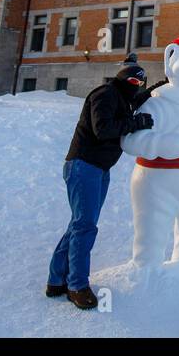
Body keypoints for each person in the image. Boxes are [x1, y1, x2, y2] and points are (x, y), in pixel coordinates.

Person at [47, 63, 153, 310]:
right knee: (84, 227)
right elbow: (103, 128)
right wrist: (136, 123)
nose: (138, 88)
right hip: (84, 166)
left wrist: (163, 86)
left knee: (78, 224)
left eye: (141, 84)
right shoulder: (105, 94)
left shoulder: (121, 98)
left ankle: (56, 280)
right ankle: (77, 286)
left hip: (98, 169)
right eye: (135, 83)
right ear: (123, 79)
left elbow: (135, 103)